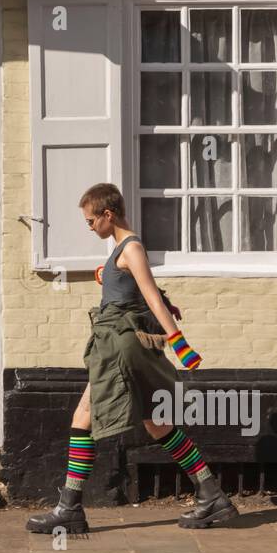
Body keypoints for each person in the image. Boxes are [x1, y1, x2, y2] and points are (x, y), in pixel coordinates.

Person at [25, 182, 238, 533]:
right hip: (116, 344)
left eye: (92, 220)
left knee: (83, 417)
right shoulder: (121, 251)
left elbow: (149, 294)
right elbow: (140, 293)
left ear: (108, 215)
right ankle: (211, 493)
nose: (90, 227)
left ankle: (70, 508)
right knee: (156, 421)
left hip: (118, 349)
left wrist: (180, 344)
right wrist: (108, 278)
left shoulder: (131, 248)